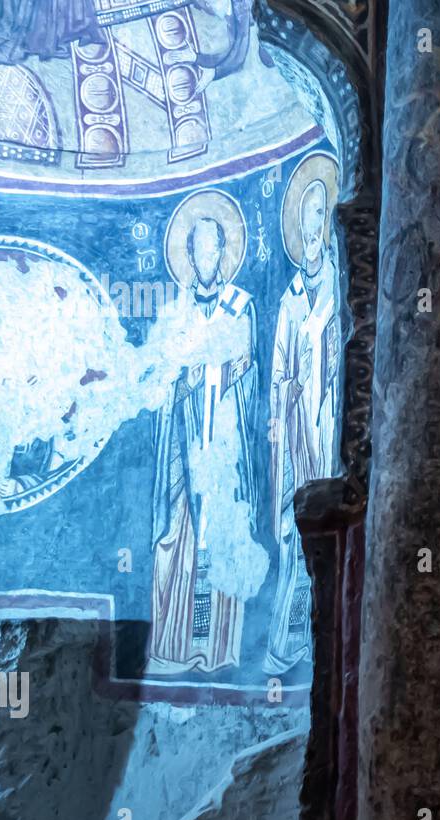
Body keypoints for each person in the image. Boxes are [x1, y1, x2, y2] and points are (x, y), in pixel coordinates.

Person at [148, 214, 257, 674]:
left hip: (225, 445)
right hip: (185, 445)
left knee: (222, 534)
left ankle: (217, 649)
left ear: (224, 254)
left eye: (214, 250)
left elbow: (248, 364)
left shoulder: (241, 305)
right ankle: (174, 645)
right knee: (180, 532)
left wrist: (207, 374)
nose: (206, 259)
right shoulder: (176, 312)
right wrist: (181, 382)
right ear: (189, 257)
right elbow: (159, 381)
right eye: (199, 251)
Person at [266, 172, 340, 675]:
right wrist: (287, 393)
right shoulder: (290, 297)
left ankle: (331, 639)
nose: (312, 226)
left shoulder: (343, 282)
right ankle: (287, 640)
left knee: (331, 523)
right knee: (296, 531)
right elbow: (276, 371)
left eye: (320, 214)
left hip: (333, 418)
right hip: (298, 427)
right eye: (306, 216)